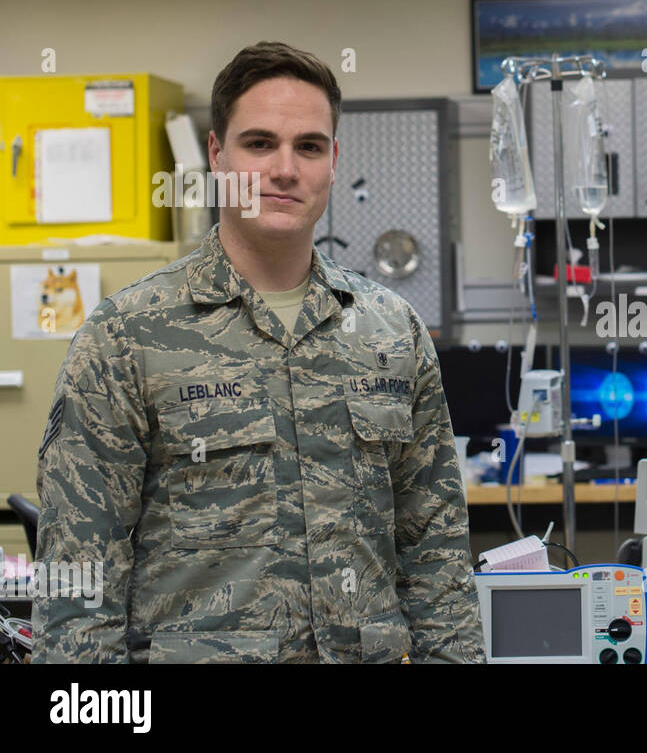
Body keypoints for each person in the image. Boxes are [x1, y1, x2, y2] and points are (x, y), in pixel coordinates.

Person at [32, 42, 484, 663]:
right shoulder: (128, 336)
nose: (285, 169)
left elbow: (436, 550)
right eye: (259, 143)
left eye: (309, 146)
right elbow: (76, 579)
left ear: (332, 163)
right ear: (217, 156)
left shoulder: (391, 332)